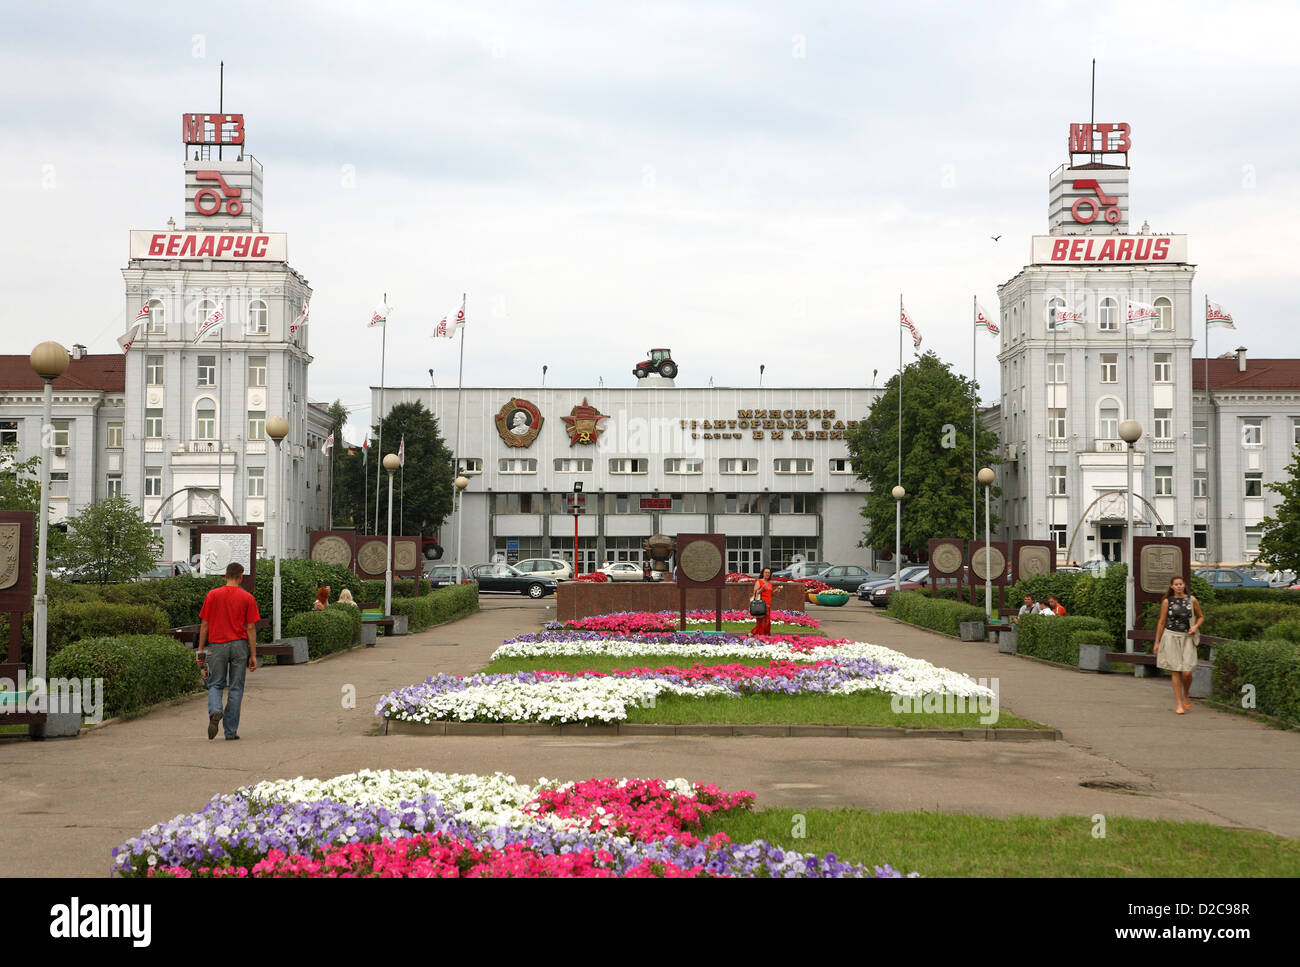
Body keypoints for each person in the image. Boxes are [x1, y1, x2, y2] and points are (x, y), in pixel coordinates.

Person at [197, 562, 260, 741]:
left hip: (218, 645)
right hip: (239, 646)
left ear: (225, 575)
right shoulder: (247, 598)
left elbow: (205, 624)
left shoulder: (212, 595)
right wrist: (253, 654)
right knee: (236, 687)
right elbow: (251, 628)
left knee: (216, 684)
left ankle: (215, 710)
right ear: (241, 577)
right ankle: (230, 732)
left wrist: (201, 648)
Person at [1154, 576, 1203, 714]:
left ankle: (1186, 693)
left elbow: (1200, 616)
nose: (1179, 586)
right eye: (1176, 584)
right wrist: (1157, 642)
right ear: (1171, 586)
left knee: (1187, 672)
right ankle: (1179, 704)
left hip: (1187, 637)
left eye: (1181, 584)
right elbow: (1162, 622)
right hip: (1171, 637)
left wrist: (1195, 627)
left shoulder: (1191, 600)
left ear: (1184, 585)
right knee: (1175, 670)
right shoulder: (1166, 602)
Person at [750, 566, 774, 637]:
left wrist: (775, 591)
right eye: (766, 572)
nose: (767, 574)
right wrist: (761, 590)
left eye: (769, 573)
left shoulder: (769, 583)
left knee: (767, 622)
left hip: (768, 605)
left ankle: (760, 634)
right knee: (761, 622)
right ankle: (759, 635)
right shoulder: (759, 581)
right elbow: (755, 593)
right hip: (761, 605)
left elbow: (770, 594)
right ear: (763, 573)